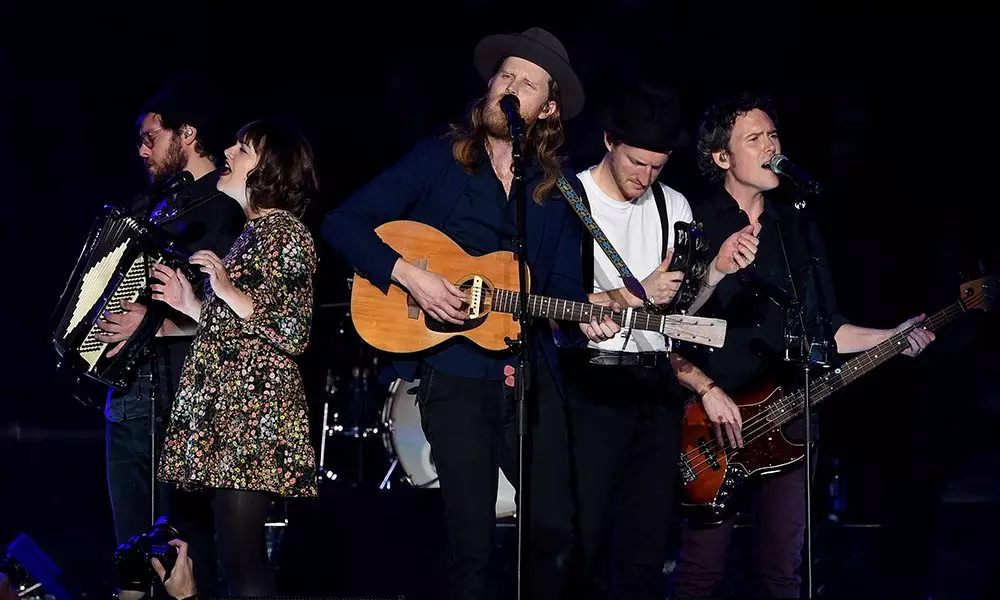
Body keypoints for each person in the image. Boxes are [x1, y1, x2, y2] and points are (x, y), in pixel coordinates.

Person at [321, 27, 618, 600]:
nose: (509, 87)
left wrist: (587, 316)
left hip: (530, 380)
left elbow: (559, 288)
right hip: (453, 376)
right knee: (472, 546)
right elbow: (343, 222)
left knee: (557, 533)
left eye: (526, 83)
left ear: (547, 109)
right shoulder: (438, 160)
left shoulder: (556, 193)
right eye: (504, 75)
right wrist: (411, 275)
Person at [669, 92, 936, 598]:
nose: (771, 145)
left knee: (783, 574)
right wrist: (717, 269)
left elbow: (826, 327)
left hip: (790, 418)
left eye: (773, 135)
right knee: (700, 574)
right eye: (754, 138)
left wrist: (892, 338)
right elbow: (671, 321)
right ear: (721, 158)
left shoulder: (796, 227)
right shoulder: (695, 220)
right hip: (715, 423)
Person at [555, 81, 758, 600]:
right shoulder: (567, 198)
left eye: (657, 166)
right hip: (589, 385)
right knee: (584, 542)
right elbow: (553, 308)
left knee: (646, 547)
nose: (644, 178)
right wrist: (634, 292)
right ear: (608, 142)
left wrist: (712, 271)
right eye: (635, 163)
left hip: (654, 386)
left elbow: (680, 317)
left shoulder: (676, 206)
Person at [150, 119, 320, 597]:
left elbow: (292, 331)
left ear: (269, 170)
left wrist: (226, 289)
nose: (228, 149)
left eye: (243, 148)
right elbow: (241, 332)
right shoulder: (254, 234)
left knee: (244, 566)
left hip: (251, 421)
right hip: (233, 419)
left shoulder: (285, 232)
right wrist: (194, 305)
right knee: (233, 561)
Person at [92, 72, 245, 595]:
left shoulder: (228, 205)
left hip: (183, 398)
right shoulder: (154, 207)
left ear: (188, 134)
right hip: (127, 394)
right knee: (129, 561)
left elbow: (232, 314)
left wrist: (148, 327)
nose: (141, 150)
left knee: (182, 554)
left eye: (150, 137)